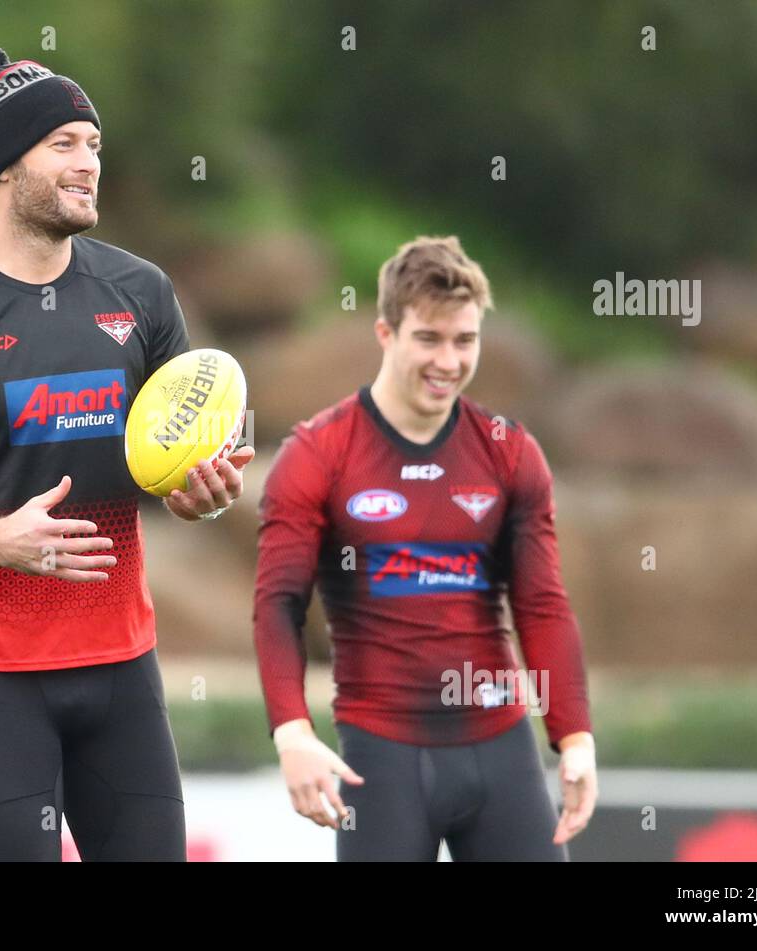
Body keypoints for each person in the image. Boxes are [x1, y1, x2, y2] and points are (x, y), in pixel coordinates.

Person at [0, 40, 254, 861]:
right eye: (63, 144)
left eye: (94, 145)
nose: (88, 162)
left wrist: (205, 490)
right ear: (4, 168)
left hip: (124, 672)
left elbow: (177, 455)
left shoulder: (141, 294)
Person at [253, 236, 596, 861]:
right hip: (382, 757)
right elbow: (278, 604)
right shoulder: (318, 453)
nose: (448, 360)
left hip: (499, 748)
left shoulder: (509, 451)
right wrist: (292, 733)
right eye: (429, 340)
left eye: (465, 341)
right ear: (386, 333)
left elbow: (542, 603)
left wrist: (574, 737)